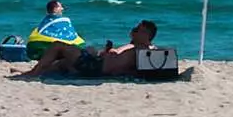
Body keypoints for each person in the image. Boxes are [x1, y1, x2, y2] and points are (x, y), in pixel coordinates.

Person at [20, 20, 157, 78]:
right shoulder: (135, 47)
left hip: (95, 67)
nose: (132, 31)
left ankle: (32, 74)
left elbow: (133, 68)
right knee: (63, 63)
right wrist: (108, 52)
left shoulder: (144, 49)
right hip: (96, 64)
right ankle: (32, 72)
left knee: (58, 46)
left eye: (136, 30)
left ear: (146, 35)